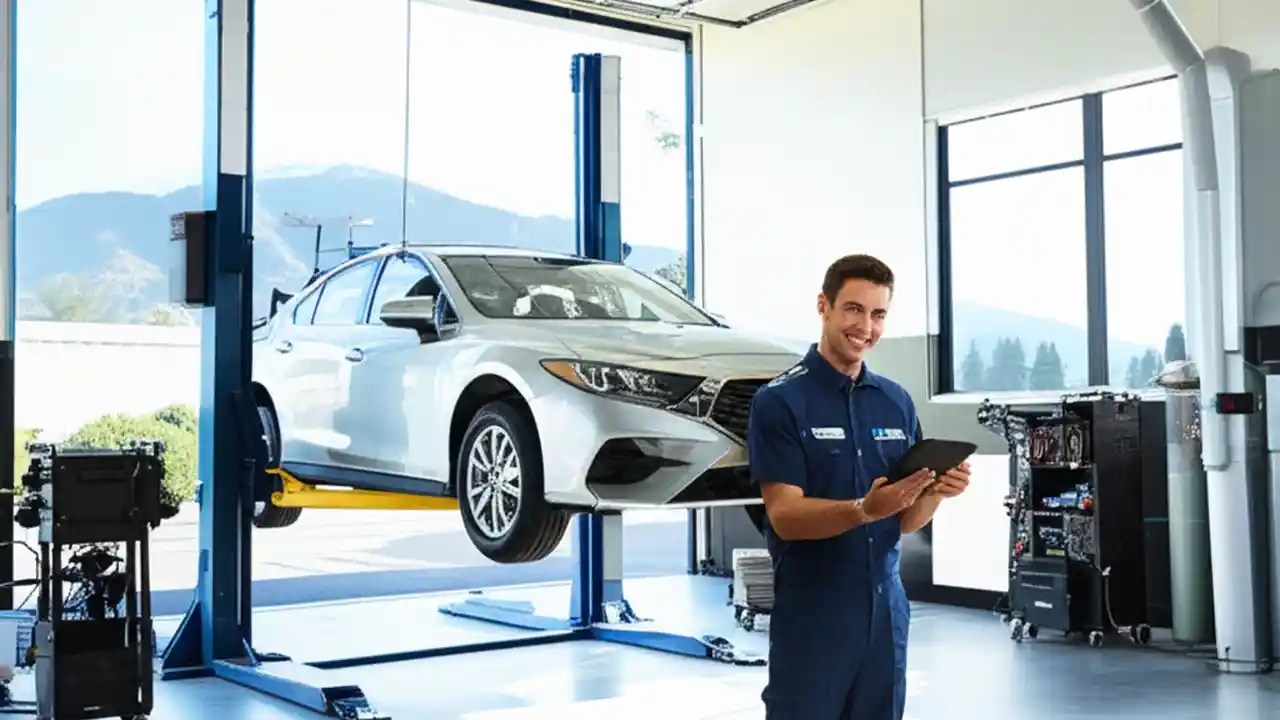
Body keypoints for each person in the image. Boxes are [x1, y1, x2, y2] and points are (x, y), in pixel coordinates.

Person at [746, 253, 971, 720]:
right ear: (823, 306)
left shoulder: (896, 402)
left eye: (878, 314)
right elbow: (785, 517)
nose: (865, 326)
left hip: (886, 609)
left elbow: (906, 521)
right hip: (814, 609)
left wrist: (934, 492)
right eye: (853, 309)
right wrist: (863, 510)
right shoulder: (779, 402)